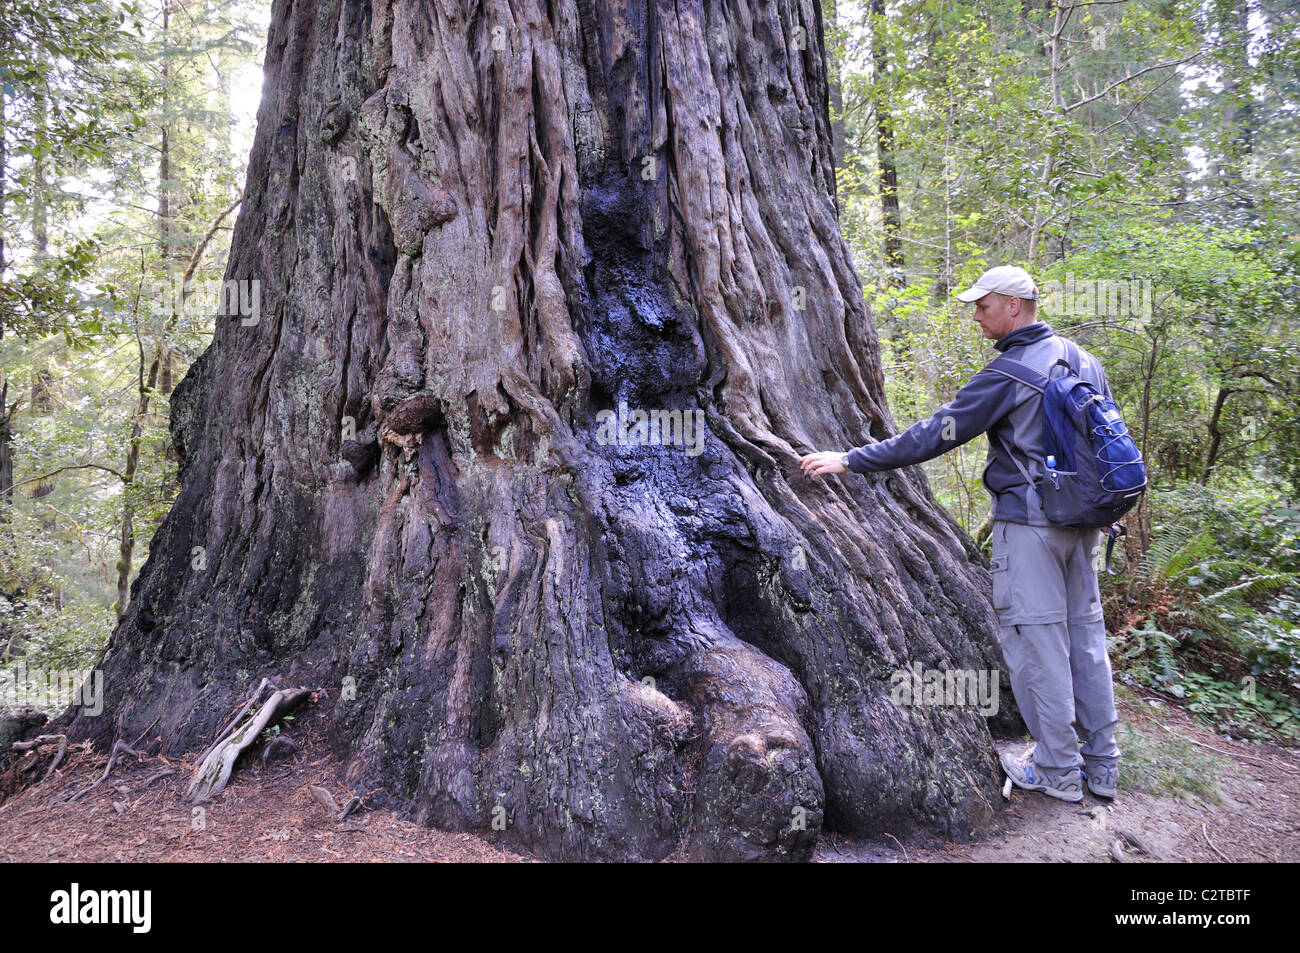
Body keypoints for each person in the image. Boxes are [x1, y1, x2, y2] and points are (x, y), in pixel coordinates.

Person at [799, 265, 1120, 803]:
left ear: (1014, 307)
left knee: (1036, 645)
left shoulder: (1012, 372)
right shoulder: (1083, 359)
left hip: (1031, 526)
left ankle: (1059, 770)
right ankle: (1102, 765)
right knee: (1085, 641)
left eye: (983, 305)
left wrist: (852, 459)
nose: (976, 316)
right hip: (1085, 524)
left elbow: (936, 434)